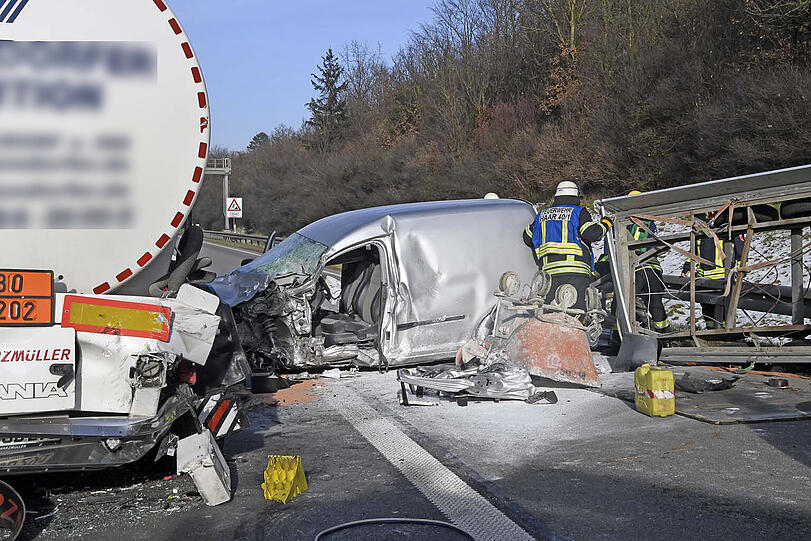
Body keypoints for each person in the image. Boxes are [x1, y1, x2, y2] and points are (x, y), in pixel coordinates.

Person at [523, 180, 612, 316]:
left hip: (549, 275)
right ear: (576, 196)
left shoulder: (542, 215)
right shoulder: (578, 212)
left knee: (551, 315)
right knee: (576, 313)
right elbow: (591, 233)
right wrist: (605, 224)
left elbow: (527, 237)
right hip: (575, 272)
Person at [681, 213, 744, 329]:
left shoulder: (726, 228)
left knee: (722, 308)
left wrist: (740, 270)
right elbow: (692, 253)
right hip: (703, 279)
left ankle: (724, 333)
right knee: (706, 308)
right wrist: (686, 268)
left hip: (721, 279)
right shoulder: (700, 232)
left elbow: (741, 251)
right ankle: (711, 332)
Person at [627, 190, 670, 333]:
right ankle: (664, 334)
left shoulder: (629, 222)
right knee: (655, 303)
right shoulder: (649, 220)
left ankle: (624, 335)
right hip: (651, 268)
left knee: (626, 302)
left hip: (637, 267)